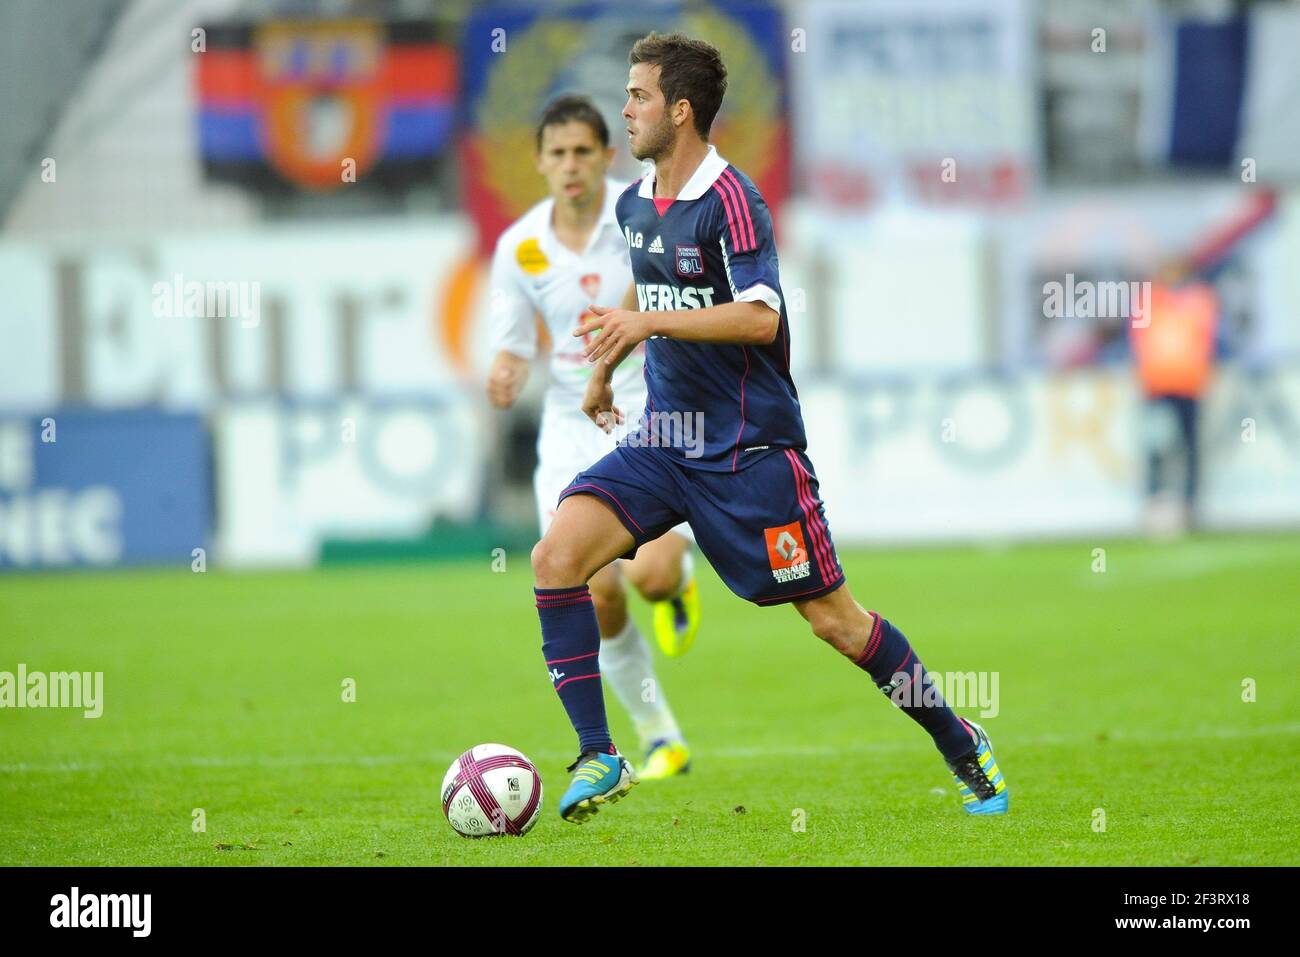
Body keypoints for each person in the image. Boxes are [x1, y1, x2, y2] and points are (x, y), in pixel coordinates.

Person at [531, 34, 1008, 823]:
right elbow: (642, 312)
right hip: (664, 440)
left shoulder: (733, 201)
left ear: (680, 111)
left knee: (836, 622)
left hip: (750, 452)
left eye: (639, 96)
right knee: (555, 556)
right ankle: (600, 752)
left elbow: (759, 317)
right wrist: (601, 371)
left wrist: (645, 320)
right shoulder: (633, 204)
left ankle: (959, 739)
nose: (626, 109)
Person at [487, 94, 699, 780]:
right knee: (594, 589)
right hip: (571, 427)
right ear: (540, 163)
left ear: (607, 156)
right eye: (557, 154)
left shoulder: (637, 213)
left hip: (649, 410)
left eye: (583, 151)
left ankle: (676, 582)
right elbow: (516, 345)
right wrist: (506, 370)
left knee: (654, 572)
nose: (570, 165)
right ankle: (658, 733)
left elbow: (677, 286)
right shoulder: (518, 246)